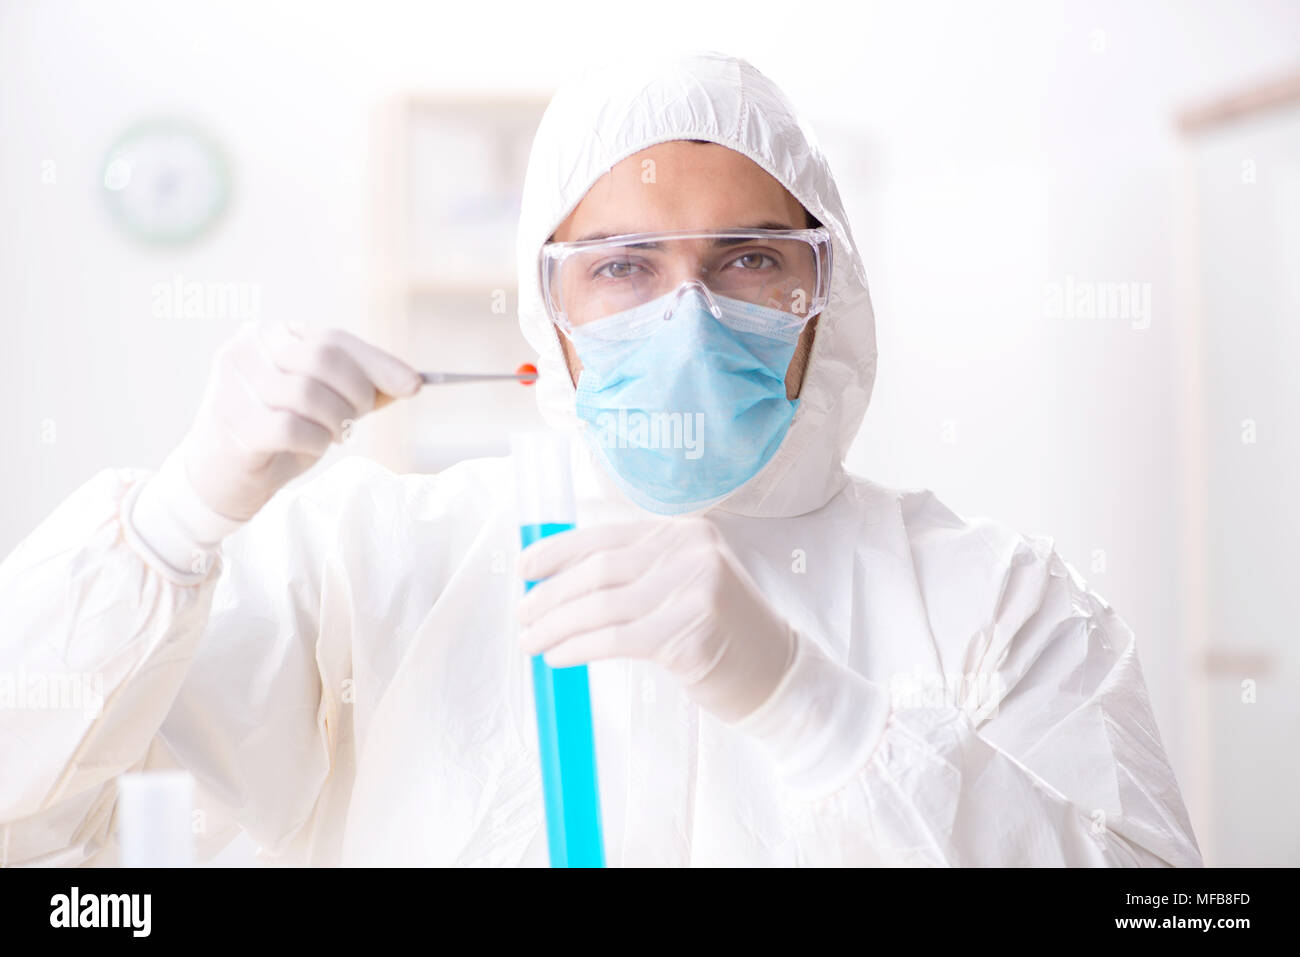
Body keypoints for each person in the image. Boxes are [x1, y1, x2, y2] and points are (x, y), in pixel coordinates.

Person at [0, 51, 1200, 866]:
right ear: (547, 311)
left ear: (824, 288)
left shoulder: (999, 598)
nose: (687, 314)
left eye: (747, 259)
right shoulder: (375, 565)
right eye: (622, 266)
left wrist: (815, 711)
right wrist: (172, 524)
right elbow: (29, 825)